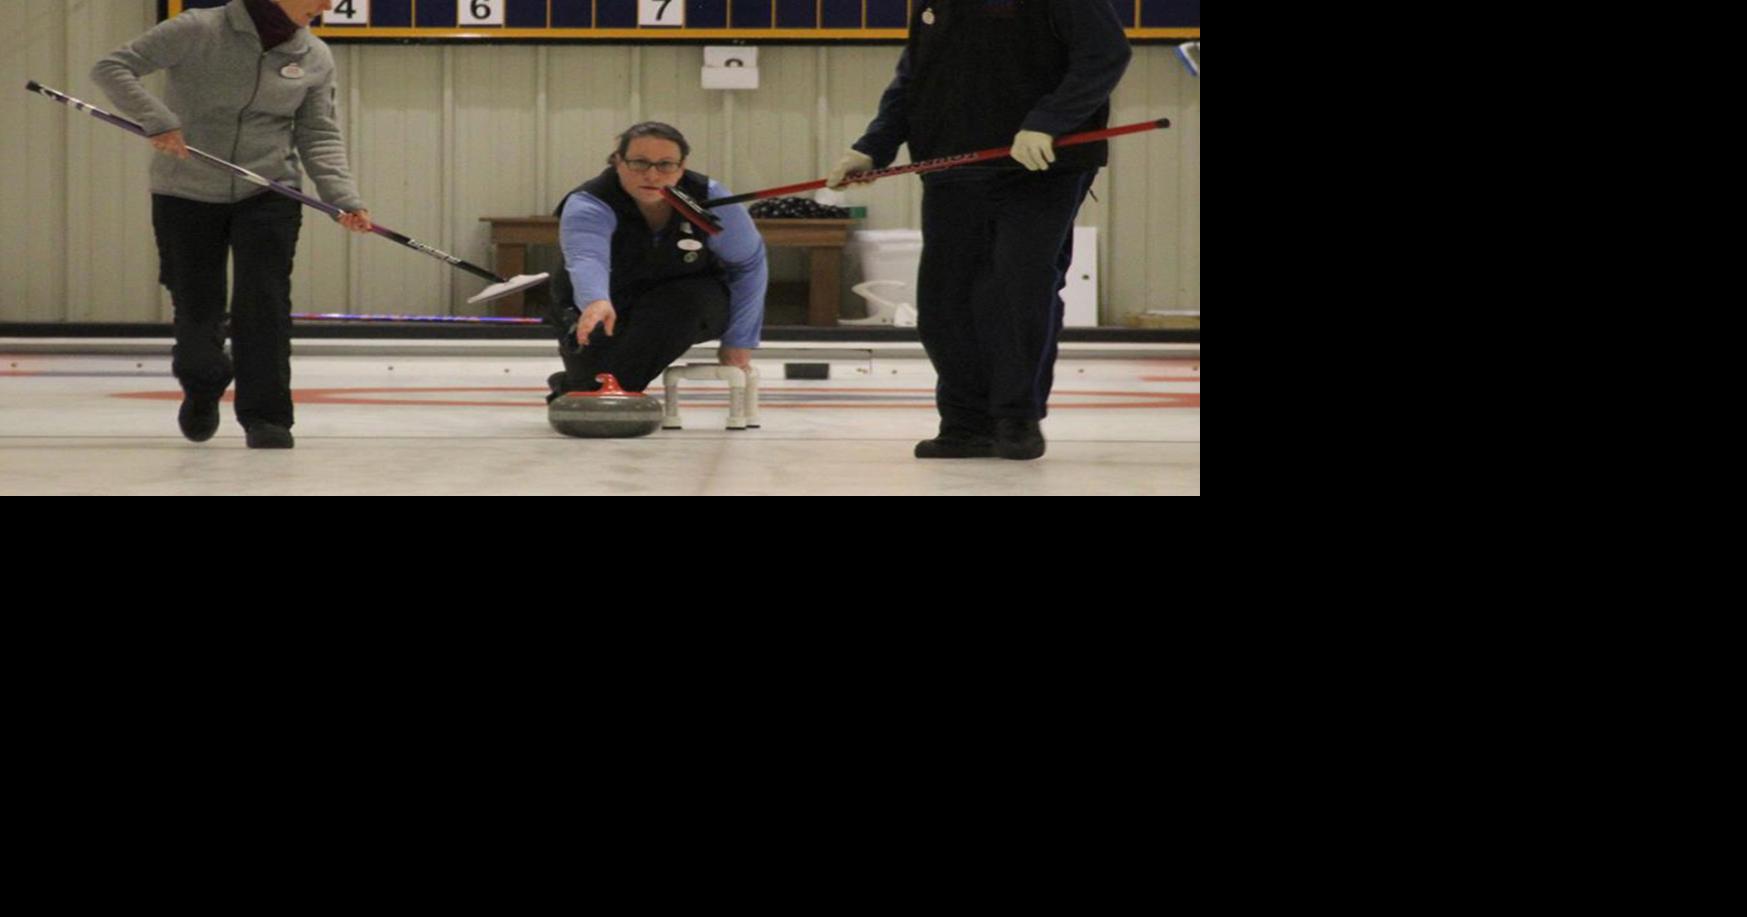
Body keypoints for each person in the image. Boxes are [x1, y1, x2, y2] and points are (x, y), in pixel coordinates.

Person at [830, 0, 1131, 460]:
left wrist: (1047, 122)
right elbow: (914, 78)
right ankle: (965, 421)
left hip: (1040, 168)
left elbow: (1105, 54)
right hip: (952, 166)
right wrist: (873, 146)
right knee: (945, 298)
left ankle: (1016, 418)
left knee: (1018, 287)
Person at [92, 0, 372, 450]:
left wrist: (343, 198)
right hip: (184, 191)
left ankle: (267, 417)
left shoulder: (313, 55)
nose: (328, 5)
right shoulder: (199, 28)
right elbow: (112, 67)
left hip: (269, 191)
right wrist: (157, 120)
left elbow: (318, 133)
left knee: (264, 303)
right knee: (197, 308)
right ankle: (204, 383)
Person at [546, 123, 767, 402]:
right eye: (639, 163)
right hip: (608, 303)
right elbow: (587, 258)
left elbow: (748, 263)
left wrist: (739, 340)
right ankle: (578, 383)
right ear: (618, 161)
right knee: (589, 381)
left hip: (686, 301)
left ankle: (603, 389)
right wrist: (595, 300)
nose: (652, 175)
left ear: (681, 166)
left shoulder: (710, 198)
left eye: (665, 165)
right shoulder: (589, 203)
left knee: (678, 309)